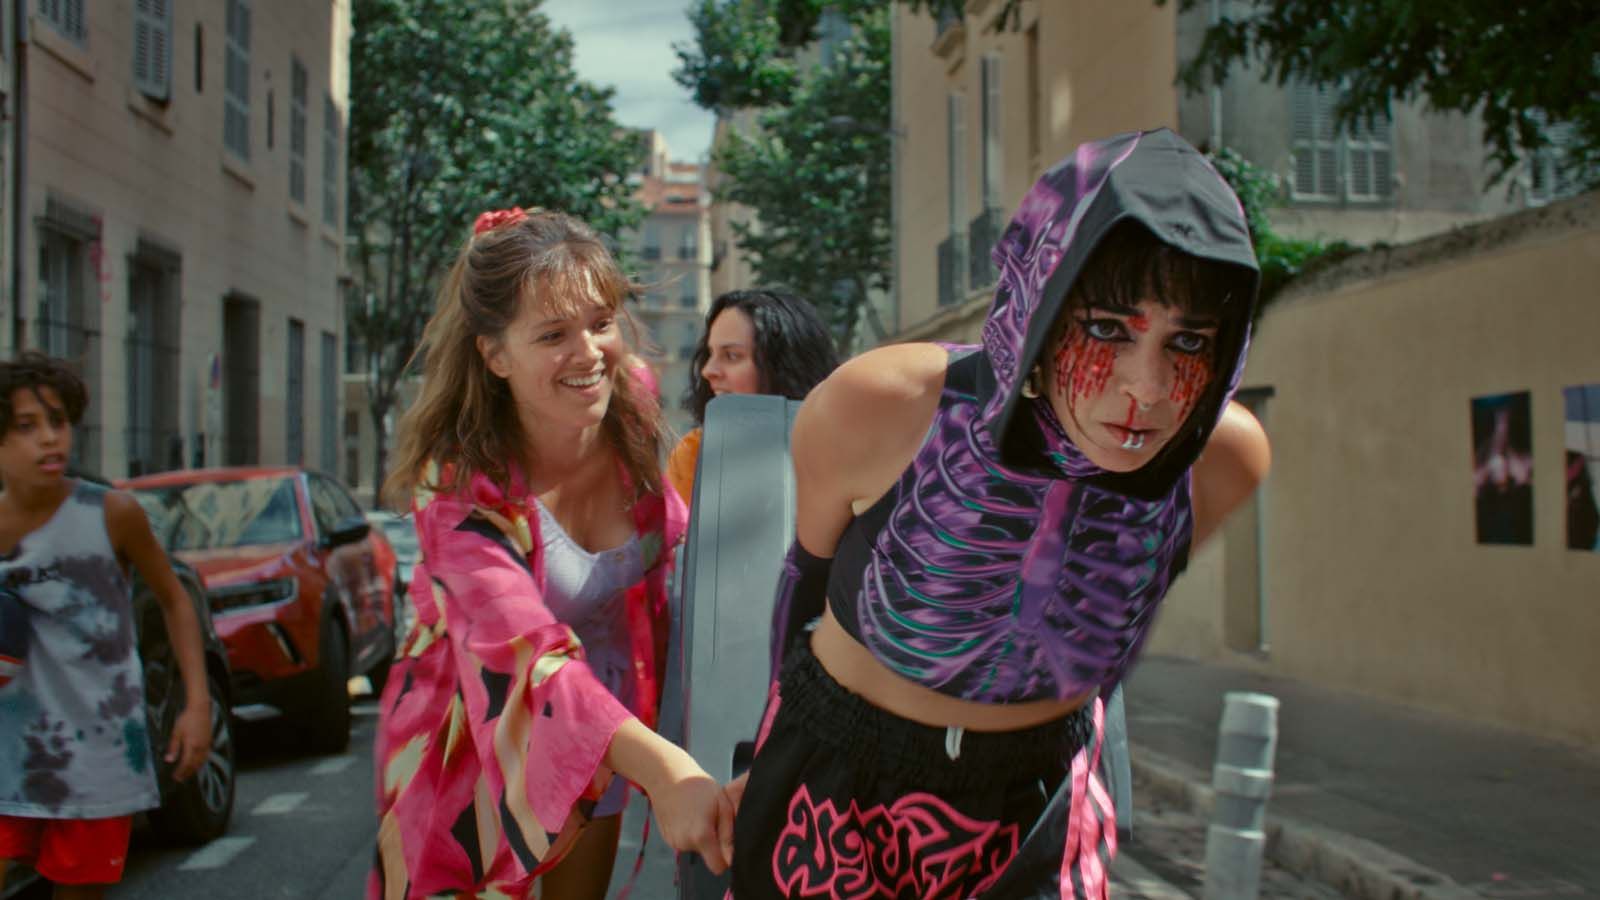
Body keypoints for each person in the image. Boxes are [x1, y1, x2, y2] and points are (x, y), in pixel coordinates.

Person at [726, 129, 1271, 899]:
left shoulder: (1221, 459)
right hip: (834, 790)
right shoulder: (881, 407)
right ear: (1041, 297)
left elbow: (1110, 638)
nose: (1147, 389)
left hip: (1039, 811)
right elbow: (803, 585)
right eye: (1109, 329)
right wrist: (755, 756)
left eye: (1189, 342)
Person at [369, 207, 733, 900]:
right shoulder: (455, 489)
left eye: (601, 323)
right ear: (495, 353)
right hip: (470, 741)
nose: (590, 352)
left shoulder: (628, 406)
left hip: (602, 722)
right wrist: (663, 770)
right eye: (553, 334)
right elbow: (523, 657)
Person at [0, 352, 212, 900]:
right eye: (27, 426)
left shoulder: (112, 514)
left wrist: (197, 705)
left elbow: (175, 600)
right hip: (9, 752)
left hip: (97, 758)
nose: (50, 439)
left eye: (59, 422)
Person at [667, 289, 840, 504]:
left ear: (784, 365)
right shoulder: (695, 453)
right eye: (710, 354)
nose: (708, 370)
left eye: (731, 355)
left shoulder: (846, 449)